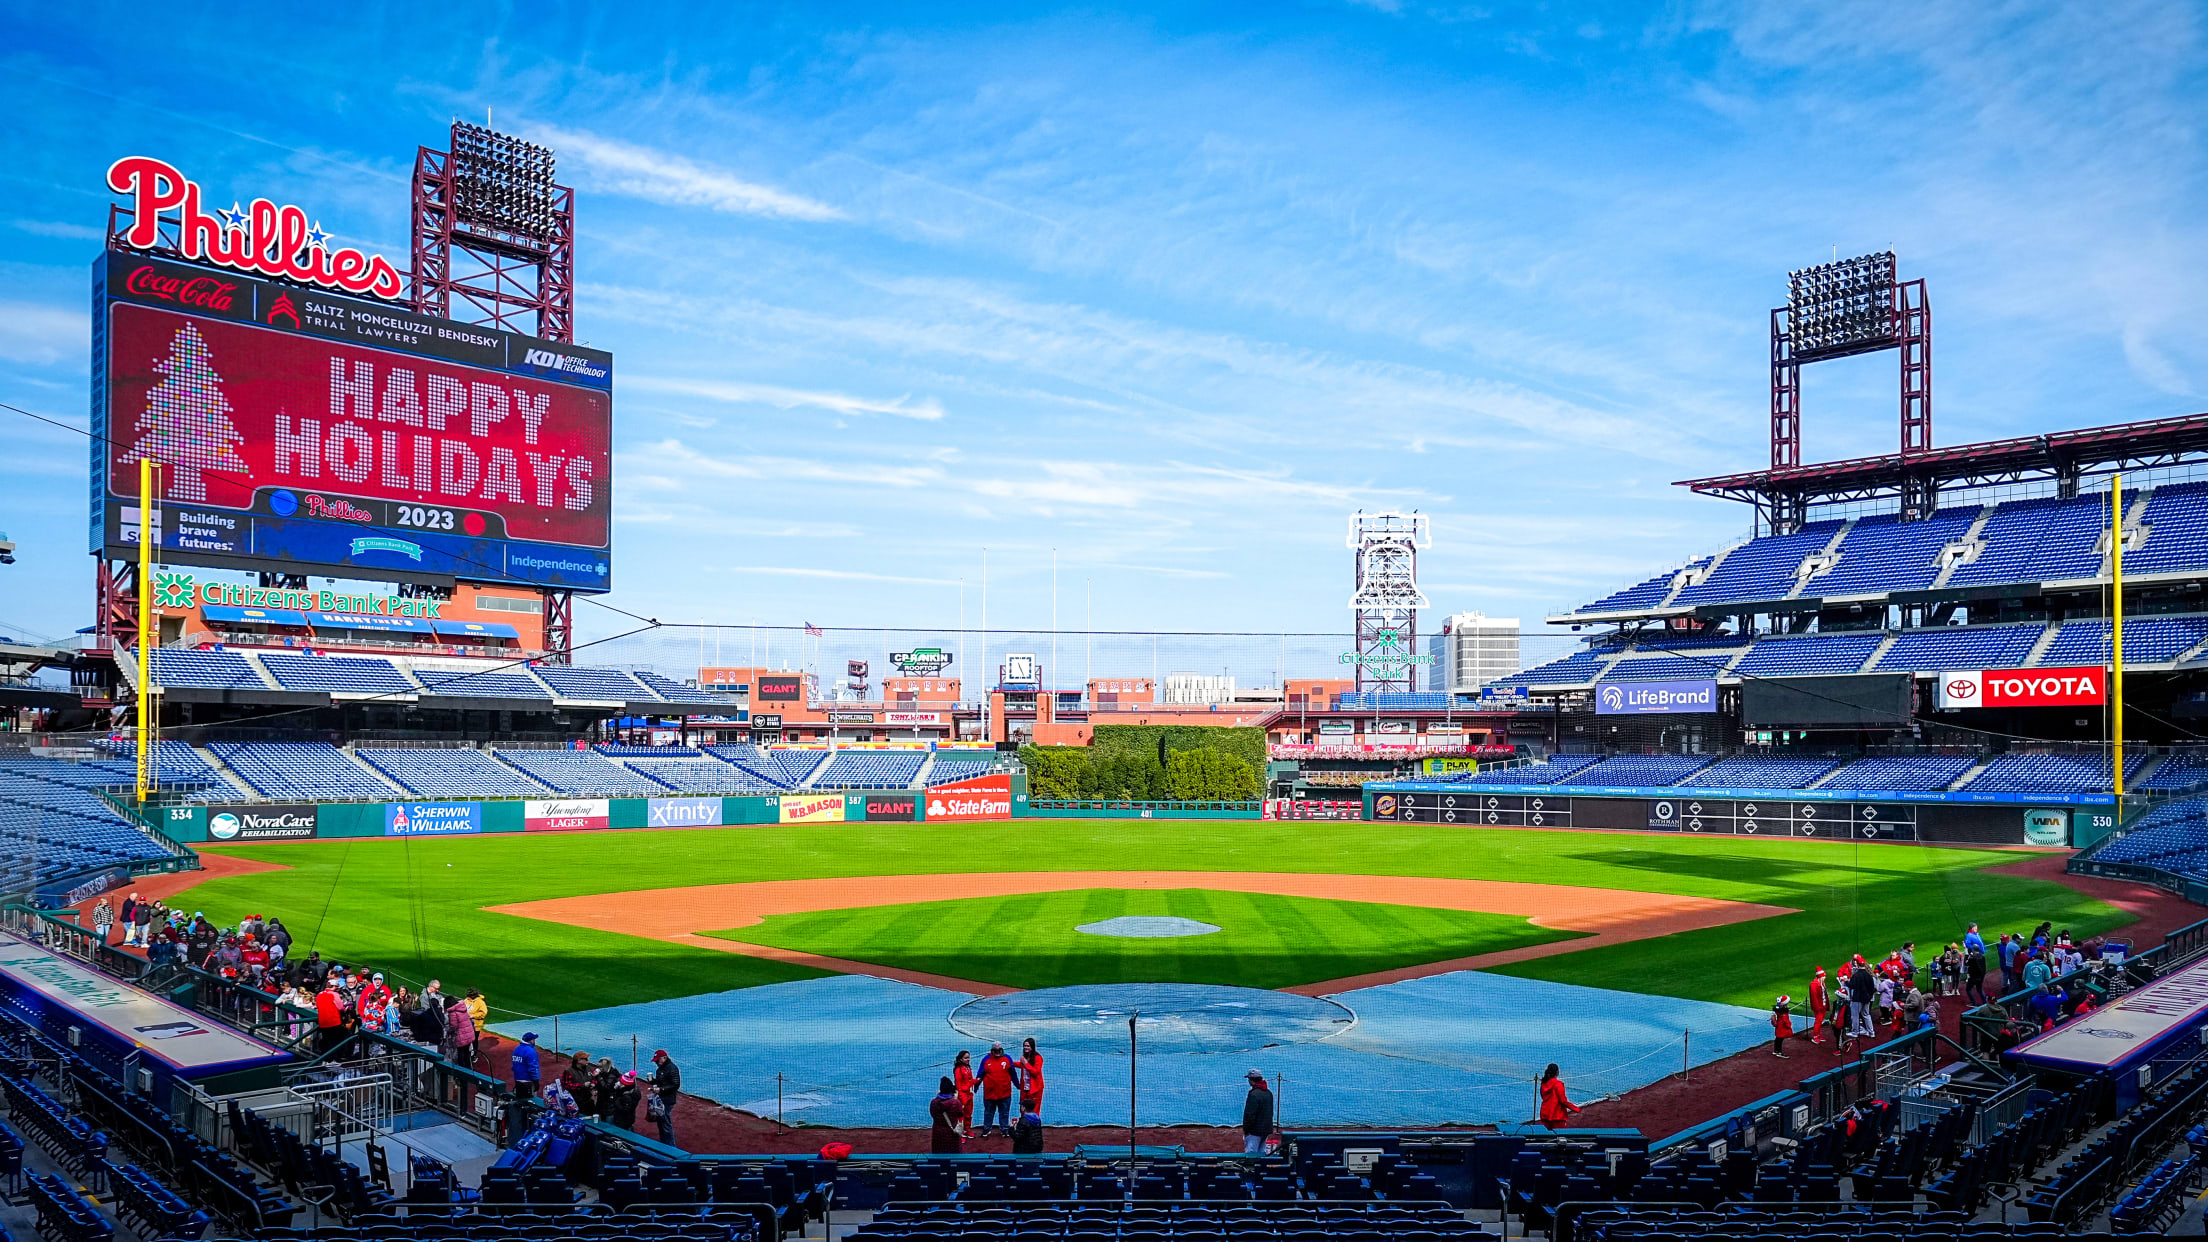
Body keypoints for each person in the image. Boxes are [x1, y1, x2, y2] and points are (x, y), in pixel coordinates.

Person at [977, 1042, 1017, 1137]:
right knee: (988, 1113)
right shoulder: (986, 1059)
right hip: (990, 1093)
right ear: (992, 1051)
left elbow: (1013, 1073)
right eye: (996, 1050)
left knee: (1004, 1112)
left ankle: (1004, 1130)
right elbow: (980, 1074)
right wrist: (975, 1086)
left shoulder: (1008, 1058)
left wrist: (1017, 1085)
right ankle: (987, 1129)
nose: (998, 1052)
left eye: (999, 1050)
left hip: (1005, 1092)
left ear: (1002, 1050)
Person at [651, 1049, 681, 1147]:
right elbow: (661, 1082)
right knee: (660, 1121)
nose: (656, 1062)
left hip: (668, 1099)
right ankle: (664, 1144)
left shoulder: (672, 1068)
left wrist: (661, 1089)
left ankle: (671, 1146)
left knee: (665, 1122)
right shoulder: (660, 1069)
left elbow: (676, 1084)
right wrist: (653, 1081)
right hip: (660, 1098)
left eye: (657, 1060)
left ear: (664, 1058)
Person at [1242, 1069, 1275, 1153]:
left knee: (1251, 1154)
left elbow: (1249, 1115)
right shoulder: (1268, 1093)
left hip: (1254, 1131)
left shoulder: (1253, 1094)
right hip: (1266, 1129)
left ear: (1251, 1080)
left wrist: (1246, 1130)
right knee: (1262, 1154)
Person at [1538, 1064, 1580, 1130]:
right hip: (1557, 1115)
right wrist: (1576, 1109)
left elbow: (1543, 1097)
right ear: (1557, 1072)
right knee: (1561, 1136)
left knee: (1547, 1136)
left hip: (1545, 1114)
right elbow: (1563, 1101)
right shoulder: (1558, 1084)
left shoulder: (1543, 1084)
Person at [930, 1076, 964, 1153]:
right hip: (952, 1133)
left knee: (938, 1153)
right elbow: (960, 1114)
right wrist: (956, 1098)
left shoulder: (934, 1102)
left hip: (937, 1133)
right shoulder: (955, 1103)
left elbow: (933, 1114)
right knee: (954, 1154)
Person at [1018, 1037, 1045, 1119]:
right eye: (1025, 1046)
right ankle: (1024, 1126)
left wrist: (1025, 1063)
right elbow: (1022, 1065)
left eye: (1028, 1046)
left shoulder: (1038, 1058)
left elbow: (1035, 1071)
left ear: (1032, 1047)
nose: (1026, 1047)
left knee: (1034, 1110)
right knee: (1023, 1108)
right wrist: (1009, 1062)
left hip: (1035, 1089)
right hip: (1025, 1088)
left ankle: (1034, 1127)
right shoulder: (1025, 1057)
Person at [1848, 957, 1875, 1037]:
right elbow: (1872, 988)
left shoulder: (1856, 975)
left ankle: (1855, 1032)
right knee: (1866, 1015)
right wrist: (1869, 997)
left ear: (1858, 965)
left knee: (1855, 1015)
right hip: (1866, 999)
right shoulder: (1869, 975)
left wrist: (1846, 982)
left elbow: (1852, 986)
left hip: (1857, 999)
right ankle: (1871, 1032)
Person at [952, 1049, 977, 1136]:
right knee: (961, 1115)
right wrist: (961, 1096)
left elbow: (969, 1080)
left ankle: (967, 1129)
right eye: (966, 1058)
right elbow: (958, 1083)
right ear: (961, 1059)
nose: (968, 1059)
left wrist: (977, 1080)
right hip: (963, 1095)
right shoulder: (958, 1069)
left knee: (969, 1114)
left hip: (969, 1094)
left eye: (969, 1058)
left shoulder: (968, 1068)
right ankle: (960, 1132)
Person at [567, 1051, 599, 1118]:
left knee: (592, 1116)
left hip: (588, 1099)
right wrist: (582, 1085)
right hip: (576, 1100)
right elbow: (567, 1086)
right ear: (579, 1060)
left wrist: (593, 1084)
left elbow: (594, 1079)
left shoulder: (589, 1068)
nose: (588, 1060)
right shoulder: (569, 1071)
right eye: (586, 1059)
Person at [512, 1032, 542, 1101]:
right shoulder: (531, 1051)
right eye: (534, 1039)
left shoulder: (516, 1049)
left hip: (518, 1080)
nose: (535, 1041)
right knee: (531, 1102)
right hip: (528, 1082)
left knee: (519, 1100)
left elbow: (514, 1066)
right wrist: (536, 1081)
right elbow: (533, 1068)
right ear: (531, 1041)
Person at [1808, 968, 1829, 1046]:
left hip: (1823, 1005)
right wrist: (1817, 1007)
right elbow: (1814, 998)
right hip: (1818, 1006)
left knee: (1820, 1021)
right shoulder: (1814, 984)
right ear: (1820, 976)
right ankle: (1815, 1036)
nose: (1825, 977)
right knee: (1818, 1021)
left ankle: (1818, 1035)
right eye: (1824, 976)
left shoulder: (1822, 983)